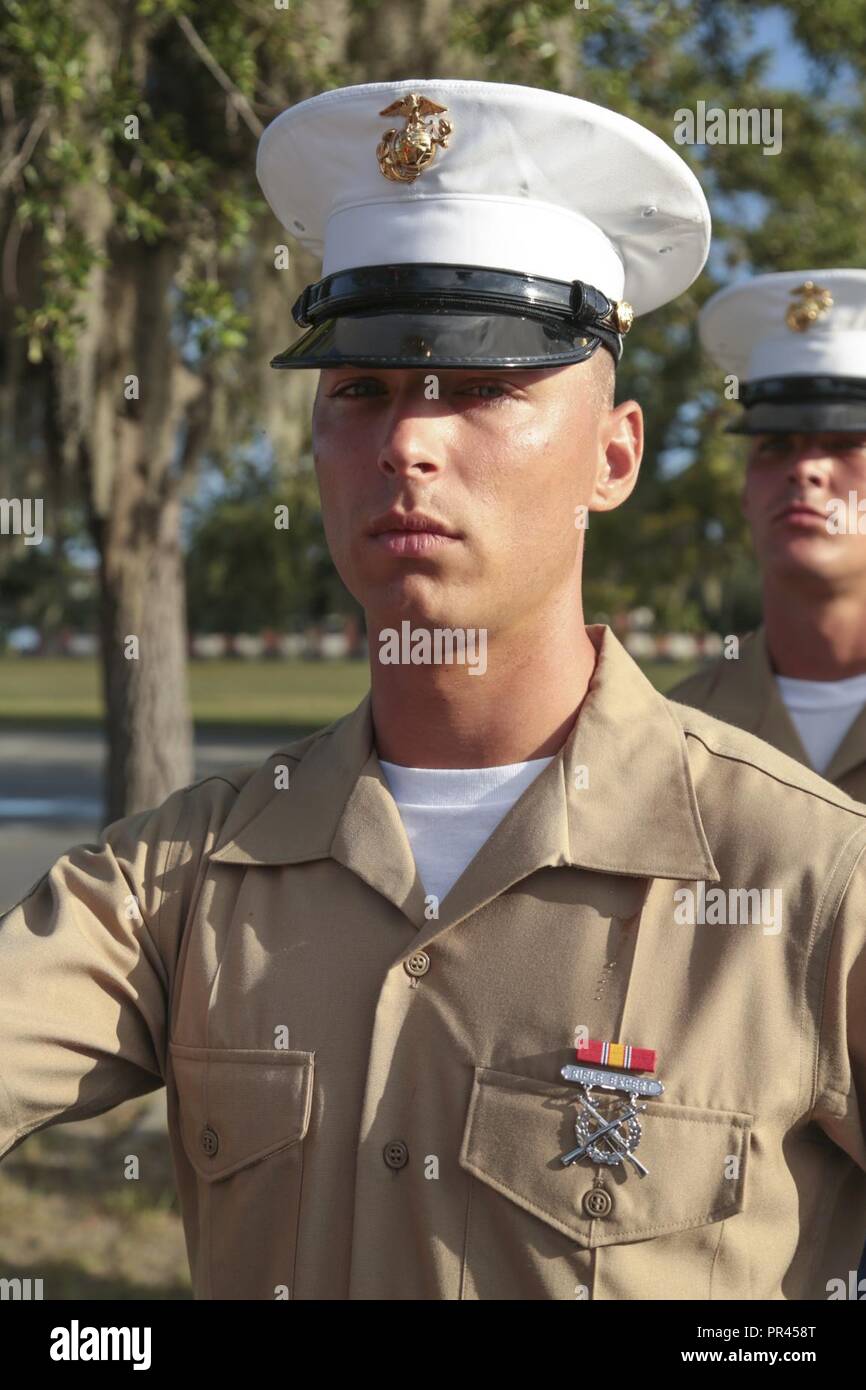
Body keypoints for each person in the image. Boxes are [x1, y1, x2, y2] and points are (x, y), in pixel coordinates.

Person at [1, 79, 865, 1302]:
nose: (406, 441)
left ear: (613, 455)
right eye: (359, 390)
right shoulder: (176, 883)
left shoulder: (811, 880)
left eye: (477, 386)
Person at [670, 269, 866, 799]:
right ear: (745, 496)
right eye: (775, 446)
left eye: (846, 443)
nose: (805, 470)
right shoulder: (671, 734)